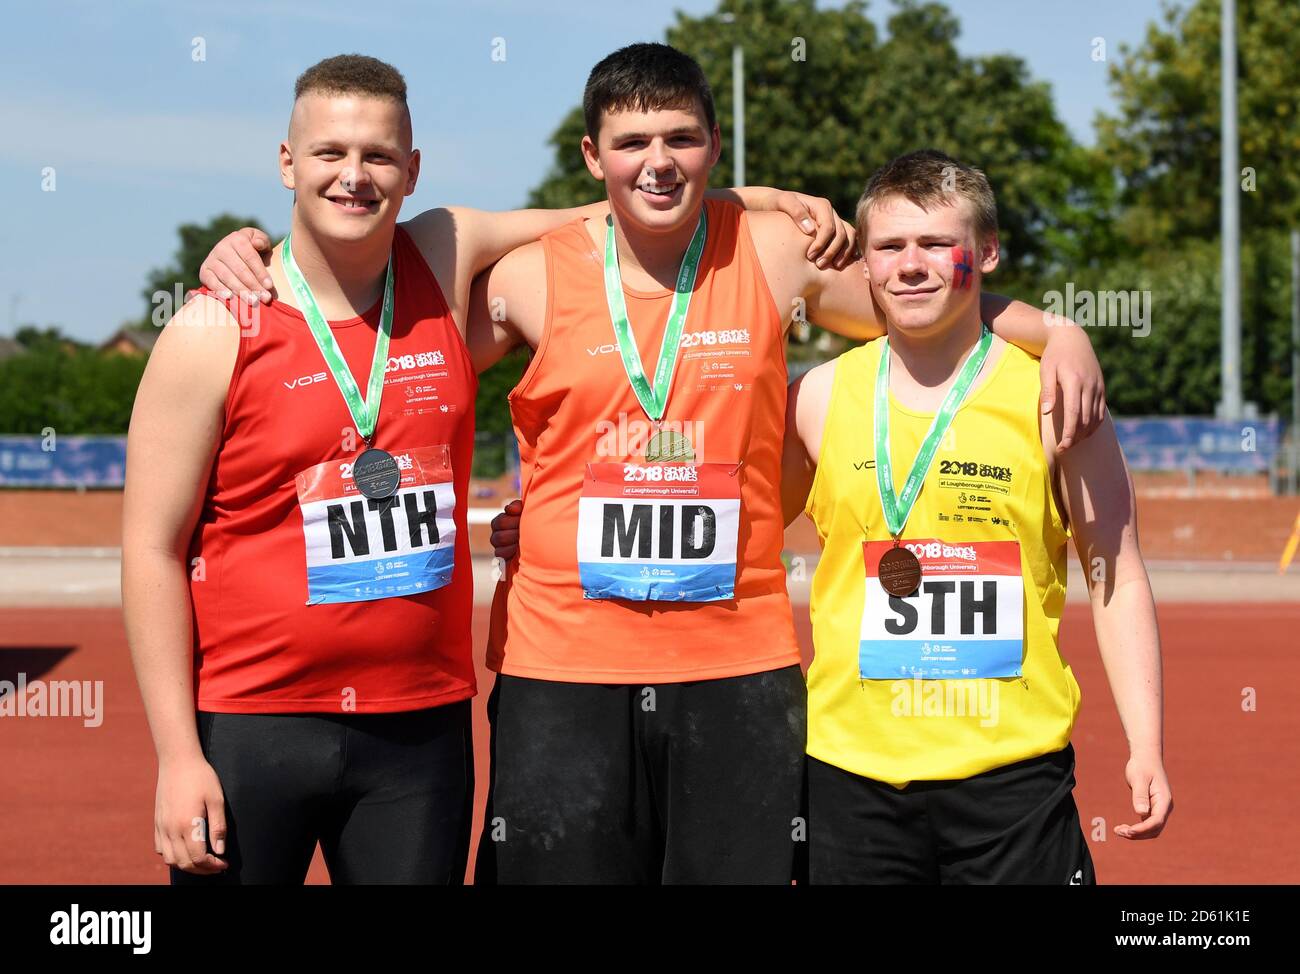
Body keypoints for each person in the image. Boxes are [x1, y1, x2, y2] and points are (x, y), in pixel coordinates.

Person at [130, 53, 859, 885]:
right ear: (287, 164)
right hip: (255, 723)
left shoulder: (443, 256)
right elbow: (151, 548)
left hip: (420, 729)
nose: (354, 176)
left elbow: (620, 202)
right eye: (329, 154)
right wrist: (177, 754)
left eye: (377, 156)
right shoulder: (217, 323)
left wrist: (751, 198)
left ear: (412, 169)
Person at [470, 43, 1104, 884]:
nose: (657, 162)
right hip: (561, 668)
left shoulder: (776, 256)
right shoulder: (527, 276)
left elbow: (922, 302)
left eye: (681, 139)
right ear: (592, 157)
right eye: (631, 144)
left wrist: (1060, 327)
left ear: (714, 145)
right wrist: (250, 261)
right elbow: (393, 344)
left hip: (739, 672)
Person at [782, 149, 1172, 883]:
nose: (912, 265)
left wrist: (1145, 741)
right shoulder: (817, 397)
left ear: (985, 253)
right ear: (864, 263)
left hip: (1011, 780)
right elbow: (735, 529)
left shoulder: (1055, 396)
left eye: (937, 245)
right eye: (891, 246)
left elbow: (1114, 570)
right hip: (847, 778)